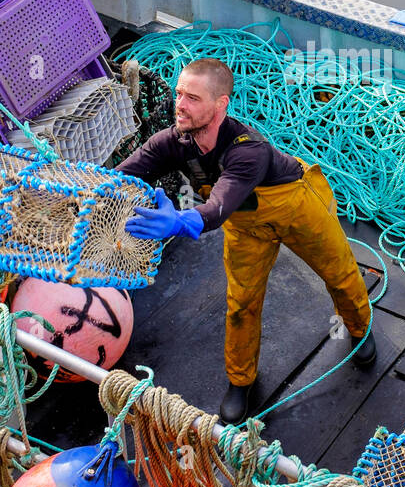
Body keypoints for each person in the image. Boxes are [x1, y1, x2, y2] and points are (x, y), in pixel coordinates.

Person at [120, 57, 375, 424]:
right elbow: (120, 175)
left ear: (221, 104)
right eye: (179, 94)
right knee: (241, 304)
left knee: (339, 273)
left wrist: (178, 220)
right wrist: (80, 191)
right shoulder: (171, 142)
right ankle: (241, 381)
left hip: (296, 206)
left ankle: (359, 329)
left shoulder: (247, 150)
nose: (180, 104)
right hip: (246, 226)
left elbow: (219, 206)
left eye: (192, 97)